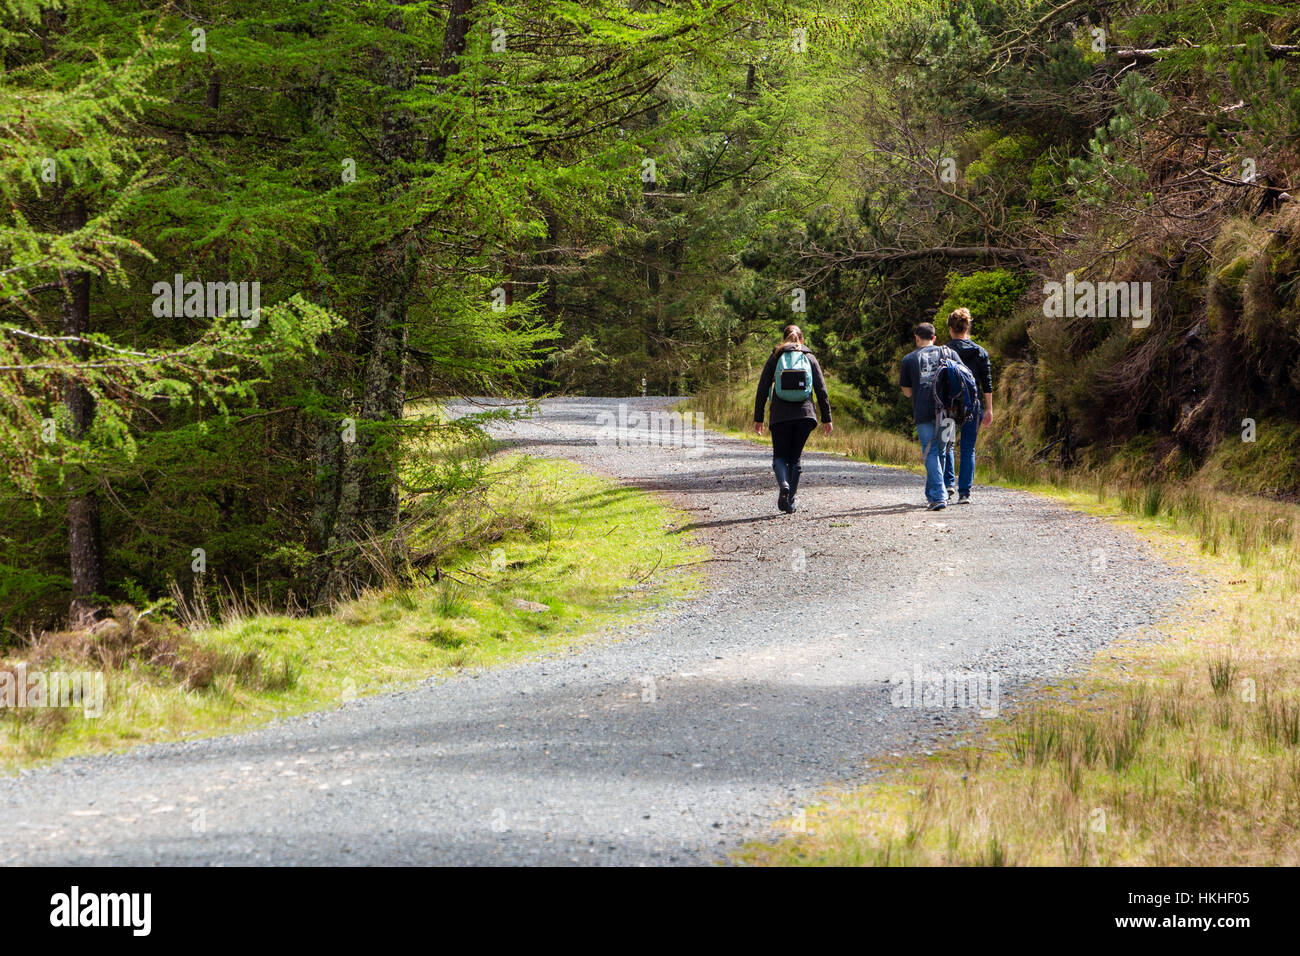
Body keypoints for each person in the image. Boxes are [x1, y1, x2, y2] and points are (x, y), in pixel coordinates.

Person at [753, 325, 832, 513]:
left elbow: (763, 388)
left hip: (780, 415)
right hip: (805, 416)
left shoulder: (776, 357)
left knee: (779, 456)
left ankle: (784, 485)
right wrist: (827, 418)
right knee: (795, 459)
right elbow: (821, 390)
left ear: (784, 340)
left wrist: (759, 418)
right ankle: (790, 501)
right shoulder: (809, 357)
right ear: (802, 341)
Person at [942, 307, 994, 504]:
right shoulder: (980, 352)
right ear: (967, 327)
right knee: (968, 448)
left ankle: (948, 485)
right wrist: (989, 409)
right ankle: (965, 492)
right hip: (973, 406)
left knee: (947, 445)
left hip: (948, 407)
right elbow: (987, 383)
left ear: (950, 328)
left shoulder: (944, 352)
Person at [898, 322, 952, 510]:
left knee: (930, 452)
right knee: (942, 451)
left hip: (923, 411)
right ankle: (934, 494)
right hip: (948, 412)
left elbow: (906, 392)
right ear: (934, 338)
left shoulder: (909, 359)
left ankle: (938, 497)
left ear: (916, 337)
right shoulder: (948, 353)